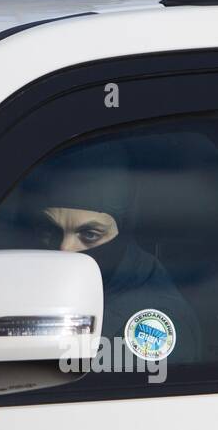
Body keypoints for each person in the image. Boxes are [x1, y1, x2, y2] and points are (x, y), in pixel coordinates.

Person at [17, 140, 200, 363]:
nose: (65, 249)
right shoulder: (24, 280)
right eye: (51, 230)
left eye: (90, 234)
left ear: (123, 231)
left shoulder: (151, 325)